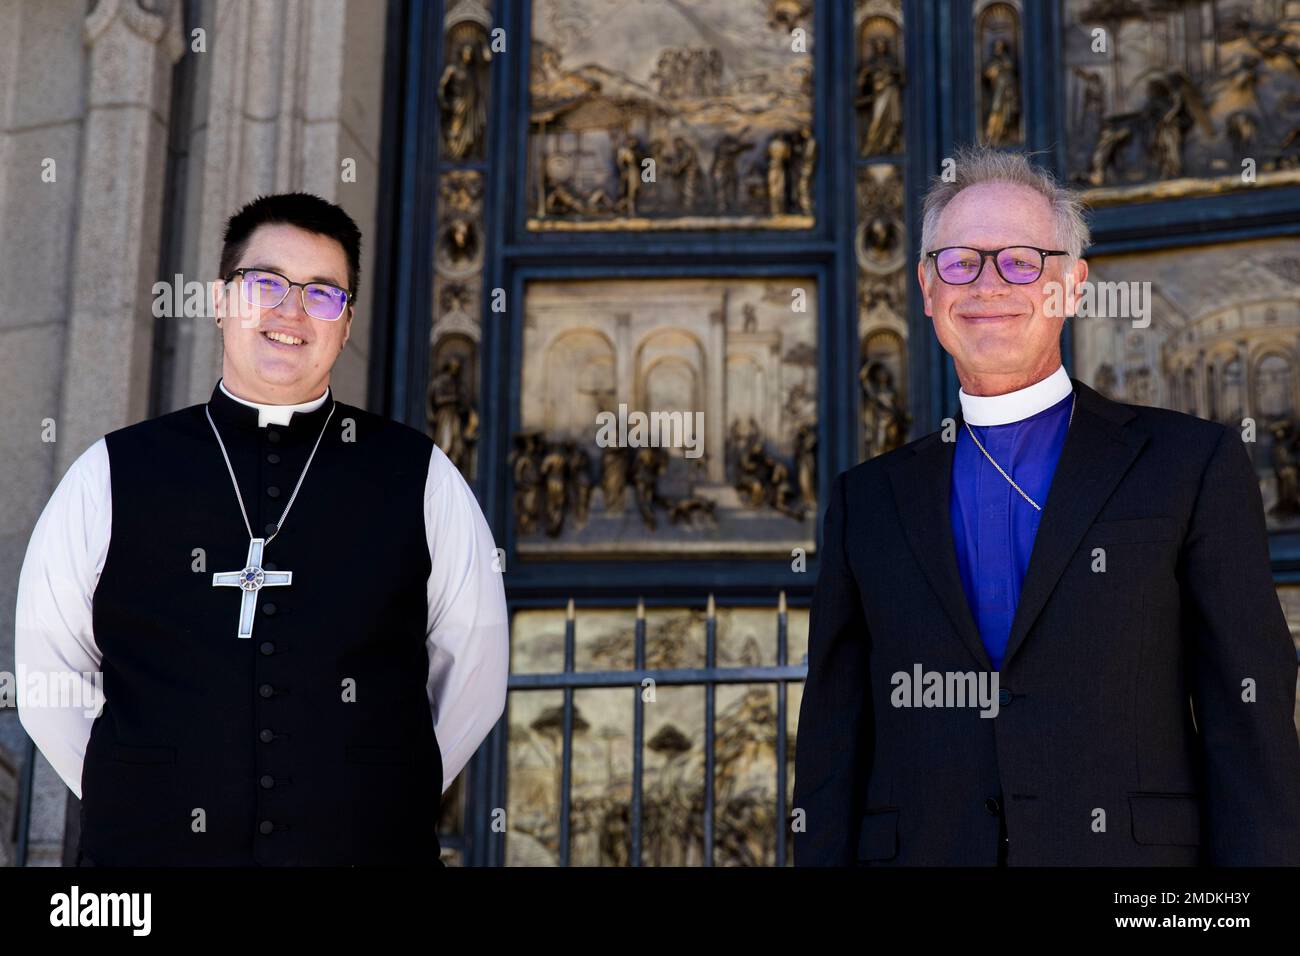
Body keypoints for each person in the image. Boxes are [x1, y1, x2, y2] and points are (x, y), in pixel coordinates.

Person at [793, 147, 1300, 865]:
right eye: (960, 261)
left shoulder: (1189, 465)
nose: (988, 284)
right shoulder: (867, 500)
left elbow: (1247, 720)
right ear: (927, 289)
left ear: (1071, 285)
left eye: (1022, 261)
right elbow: (832, 743)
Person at [16, 193, 509, 866]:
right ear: (222, 302)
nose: (291, 312)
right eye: (265, 285)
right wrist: (143, 789)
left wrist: (374, 790)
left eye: (323, 295)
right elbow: (51, 678)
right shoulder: (110, 472)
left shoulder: (420, 476)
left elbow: (473, 675)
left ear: (345, 324)